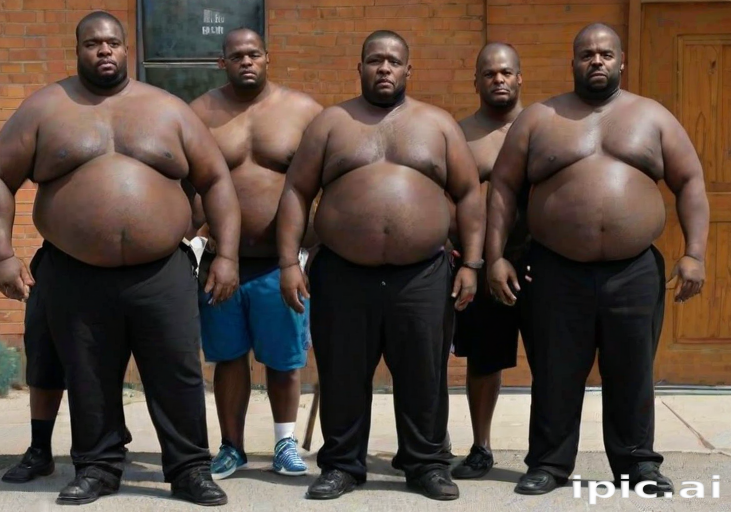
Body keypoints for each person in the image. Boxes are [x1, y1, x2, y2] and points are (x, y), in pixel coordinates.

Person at [0, 10, 241, 506]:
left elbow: (215, 180)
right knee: (87, 372)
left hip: (162, 268)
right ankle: (98, 467)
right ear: (77, 50)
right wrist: (1, 255)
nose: (104, 51)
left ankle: (189, 468)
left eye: (113, 43)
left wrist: (226, 254)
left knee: (178, 371)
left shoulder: (168, 109)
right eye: (93, 43)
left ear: (127, 50)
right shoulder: (43, 109)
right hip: (74, 270)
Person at [486, 23, 709, 497]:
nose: (597, 61)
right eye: (587, 54)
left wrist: (694, 253)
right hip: (555, 268)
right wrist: (496, 256)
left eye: (606, 54)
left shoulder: (653, 117)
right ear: (573, 62)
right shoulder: (540, 119)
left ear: (621, 61)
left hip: (633, 269)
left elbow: (689, 181)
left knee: (632, 370)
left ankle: (637, 465)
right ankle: (548, 463)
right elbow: (503, 187)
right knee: (554, 370)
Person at [276, 30, 485, 501]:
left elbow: (470, 193)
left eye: (393, 61)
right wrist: (289, 260)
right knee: (344, 372)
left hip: (423, 273)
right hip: (343, 272)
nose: (384, 68)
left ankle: (426, 463)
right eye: (375, 60)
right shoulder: (332, 123)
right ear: (361, 68)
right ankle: (342, 465)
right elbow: (296, 191)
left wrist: (471, 262)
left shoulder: (437, 124)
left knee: (424, 373)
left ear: (409, 70)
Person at [188, 27, 322, 479]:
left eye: (255, 54)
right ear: (221, 63)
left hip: (279, 264)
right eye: (237, 56)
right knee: (227, 357)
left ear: (268, 58)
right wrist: (188, 237)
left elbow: (332, 182)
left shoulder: (303, 112)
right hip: (220, 261)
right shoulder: (200, 112)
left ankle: (285, 442)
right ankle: (232, 446)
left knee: (284, 359)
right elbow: (185, 183)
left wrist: (311, 247)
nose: (247, 61)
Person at [448, 42, 531, 480]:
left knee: (554, 359)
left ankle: (548, 453)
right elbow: (448, 200)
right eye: (489, 73)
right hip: (480, 264)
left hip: (539, 262)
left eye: (505, 72)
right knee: (484, 359)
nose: (498, 79)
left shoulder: (543, 128)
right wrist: (464, 256)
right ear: (476, 81)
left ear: (520, 77)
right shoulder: (461, 135)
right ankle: (481, 447)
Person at [0, 241, 134, 485]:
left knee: (101, 358)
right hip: (57, 258)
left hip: (116, 267)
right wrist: (3, 256)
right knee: (43, 356)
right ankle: (40, 449)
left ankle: (111, 435)